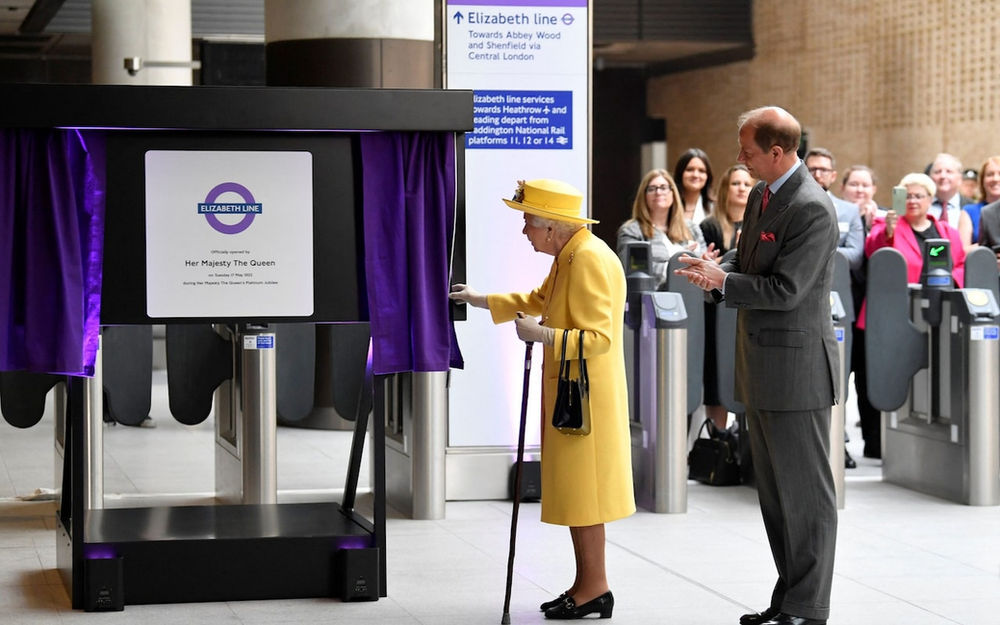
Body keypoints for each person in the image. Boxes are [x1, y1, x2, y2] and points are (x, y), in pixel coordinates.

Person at [675, 106, 839, 625]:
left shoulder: (812, 207)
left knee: (806, 496)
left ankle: (809, 607)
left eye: (747, 150)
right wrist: (715, 269)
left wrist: (725, 283)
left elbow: (788, 290)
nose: (738, 159)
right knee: (773, 494)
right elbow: (749, 264)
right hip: (763, 366)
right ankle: (788, 594)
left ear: (777, 151)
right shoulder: (766, 195)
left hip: (796, 373)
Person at [450, 179, 634, 620]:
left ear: (553, 227)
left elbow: (600, 337)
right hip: (574, 395)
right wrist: (482, 299)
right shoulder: (571, 254)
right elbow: (540, 300)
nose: (524, 231)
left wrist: (544, 335)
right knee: (577, 495)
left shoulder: (587, 259)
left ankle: (595, 587)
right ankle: (588, 584)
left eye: (528, 222)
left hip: (585, 399)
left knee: (585, 496)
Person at [857, 173, 965, 459]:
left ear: (931, 200)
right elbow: (874, 254)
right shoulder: (886, 225)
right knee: (884, 373)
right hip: (890, 313)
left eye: (919, 196)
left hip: (933, 314)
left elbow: (960, 264)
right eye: (908, 196)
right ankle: (876, 442)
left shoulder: (945, 232)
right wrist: (888, 232)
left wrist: (948, 281)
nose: (913, 201)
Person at [699, 164, 754, 431]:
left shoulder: (759, 224)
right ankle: (717, 441)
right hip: (716, 311)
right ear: (725, 189)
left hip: (746, 309)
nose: (742, 188)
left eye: (746, 183)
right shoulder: (709, 226)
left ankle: (744, 441)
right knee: (716, 373)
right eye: (736, 183)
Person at [616, 169, 707, 287]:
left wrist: (706, 260)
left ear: (673, 193)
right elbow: (637, 273)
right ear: (644, 196)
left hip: (693, 297)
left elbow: (703, 267)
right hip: (652, 301)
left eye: (663, 187)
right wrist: (678, 263)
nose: (658, 192)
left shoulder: (691, 228)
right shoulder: (631, 231)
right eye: (652, 189)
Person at [804, 148, 864, 271]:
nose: (817, 175)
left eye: (824, 170)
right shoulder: (790, 207)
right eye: (812, 169)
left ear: (833, 176)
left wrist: (815, 251)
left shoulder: (850, 211)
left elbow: (855, 257)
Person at [927, 153, 974, 234]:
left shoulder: (971, 206)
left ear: (960, 178)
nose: (943, 176)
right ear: (930, 177)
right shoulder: (920, 204)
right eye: (937, 172)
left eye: (949, 172)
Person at [962, 156, 1000, 246]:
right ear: (982, 181)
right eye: (990, 174)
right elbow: (962, 252)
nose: (995, 179)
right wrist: (989, 250)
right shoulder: (969, 211)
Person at [674, 148, 715, 224]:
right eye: (690, 169)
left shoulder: (716, 209)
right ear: (680, 173)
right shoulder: (669, 206)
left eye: (701, 171)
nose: (695, 175)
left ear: (707, 176)